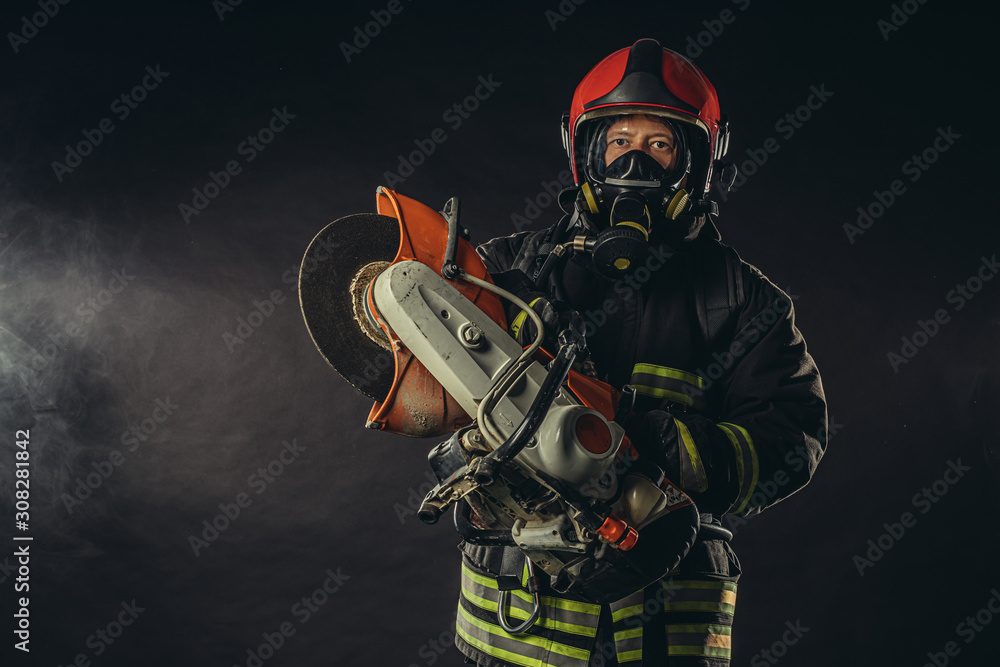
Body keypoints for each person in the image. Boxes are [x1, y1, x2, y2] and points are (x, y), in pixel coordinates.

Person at [453, 39, 828, 666]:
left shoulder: (743, 301)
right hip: (521, 625)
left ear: (698, 161)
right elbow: (426, 382)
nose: (636, 164)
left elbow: (795, 438)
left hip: (664, 625)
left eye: (659, 144)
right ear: (585, 152)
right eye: (619, 141)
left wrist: (653, 447)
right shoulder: (508, 270)